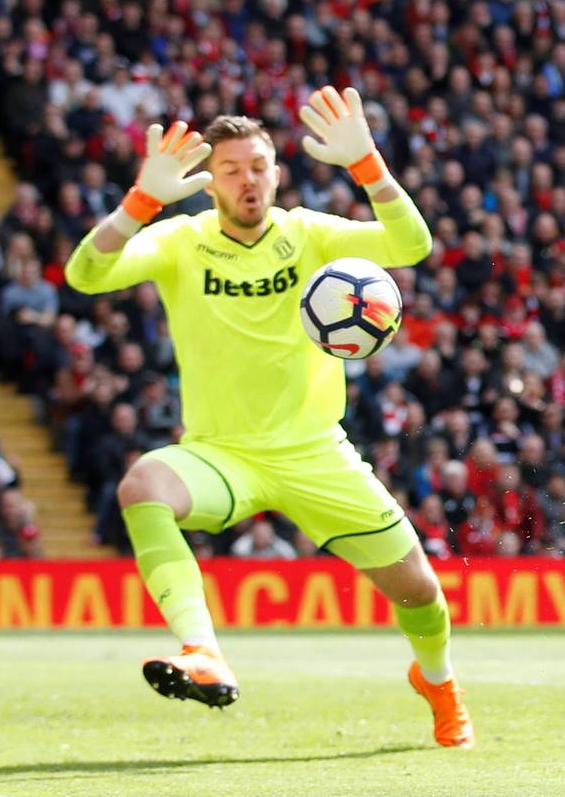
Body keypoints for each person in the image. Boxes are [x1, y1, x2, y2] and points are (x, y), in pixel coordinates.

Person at [63, 87, 472, 748]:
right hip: (222, 453)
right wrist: (139, 203)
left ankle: (438, 681)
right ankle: (202, 651)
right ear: (208, 183)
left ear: (277, 172)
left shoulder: (308, 232)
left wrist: (367, 163)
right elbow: (86, 275)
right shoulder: (180, 241)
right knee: (143, 485)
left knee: (420, 592)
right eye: (229, 169)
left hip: (314, 451)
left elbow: (412, 245)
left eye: (258, 165)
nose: (246, 179)